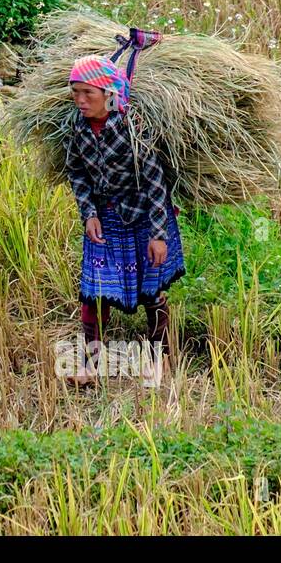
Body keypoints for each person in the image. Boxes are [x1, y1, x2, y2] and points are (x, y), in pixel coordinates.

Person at [61, 54, 184, 388]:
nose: (81, 100)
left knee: (151, 292)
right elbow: (76, 172)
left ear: (108, 92)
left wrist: (158, 235)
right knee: (94, 292)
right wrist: (88, 213)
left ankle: (160, 362)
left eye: (88, 93)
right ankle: (90, 366)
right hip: (105, 220)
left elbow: (156, 181)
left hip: (143, 217)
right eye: (75, 92)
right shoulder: (77, 124)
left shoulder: (133, 125)